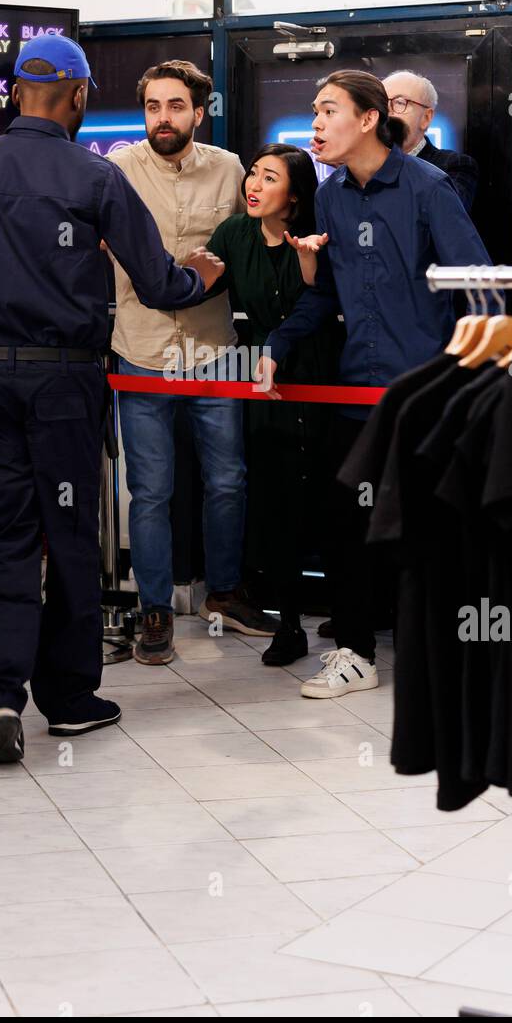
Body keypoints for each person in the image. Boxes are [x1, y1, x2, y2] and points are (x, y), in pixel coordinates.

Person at [0, 38, 224, 764]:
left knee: (5, 535)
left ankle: (1, 694)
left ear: (14, 93)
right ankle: (67, 699)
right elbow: (160, 286)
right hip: (63, 381)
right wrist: (204, 274)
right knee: (69, 536)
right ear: (77, 96)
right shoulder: (93, 177)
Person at [254, 70, 491, 700]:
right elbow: (327, 292)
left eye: (328, 110)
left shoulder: (429, 187)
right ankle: (355, 654)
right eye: (313, 110)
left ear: (368, 119)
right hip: (356, 394)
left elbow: (478, 285)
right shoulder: (330, 196)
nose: (315, 123)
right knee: (345, 524)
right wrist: (275, 347)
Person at [110, 60, 274, 666]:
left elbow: (252, 242)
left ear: (198, 112)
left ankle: (224, 594)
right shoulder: (118, 170)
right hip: (142, 352)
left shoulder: (230, 169)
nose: (163, 118)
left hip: (213, 351)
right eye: (154, 107)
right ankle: (154, 608)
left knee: (228, 480)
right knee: (150, 491)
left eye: (176, 106)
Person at [206, 144, 343, 666]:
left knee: (333, 499)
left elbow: (322, 299)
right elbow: (197, 286)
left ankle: (353, 611)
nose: (254, 185)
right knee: (275, 502)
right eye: (253, 175)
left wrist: (310, 266)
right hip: (264, 385)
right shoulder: (234, 234)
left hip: (321, 376)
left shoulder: (316, 236)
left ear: (294, 196)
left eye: (269, 178)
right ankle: (288, 625)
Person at [382, 69, 480, 212]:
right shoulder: (356, 166)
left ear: (426, 118)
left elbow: (445, 215)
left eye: (400, 102)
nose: (388, 111)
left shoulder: (454, 166)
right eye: (381, 102)